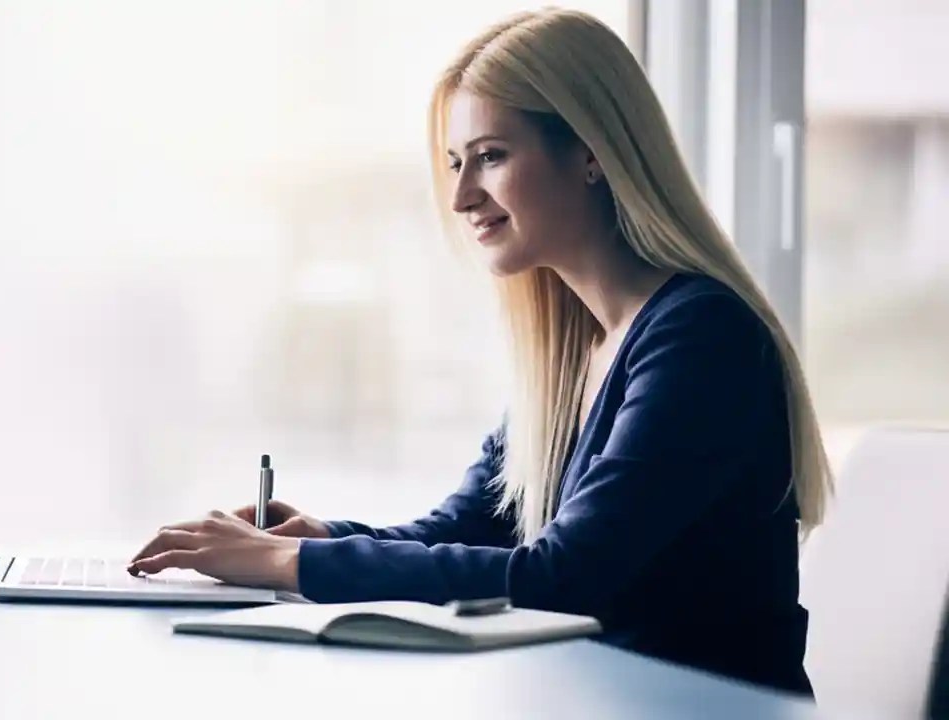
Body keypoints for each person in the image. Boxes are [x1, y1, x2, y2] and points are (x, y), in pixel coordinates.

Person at [127, 7, 831, 696]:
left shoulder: (703, 337)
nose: (462, 196)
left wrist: (291, 561)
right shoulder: (574, 349)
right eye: (456, 162)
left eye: (491, 157)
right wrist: (324, 535)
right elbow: (467, 526)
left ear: (591, 152)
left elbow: (559, 579)